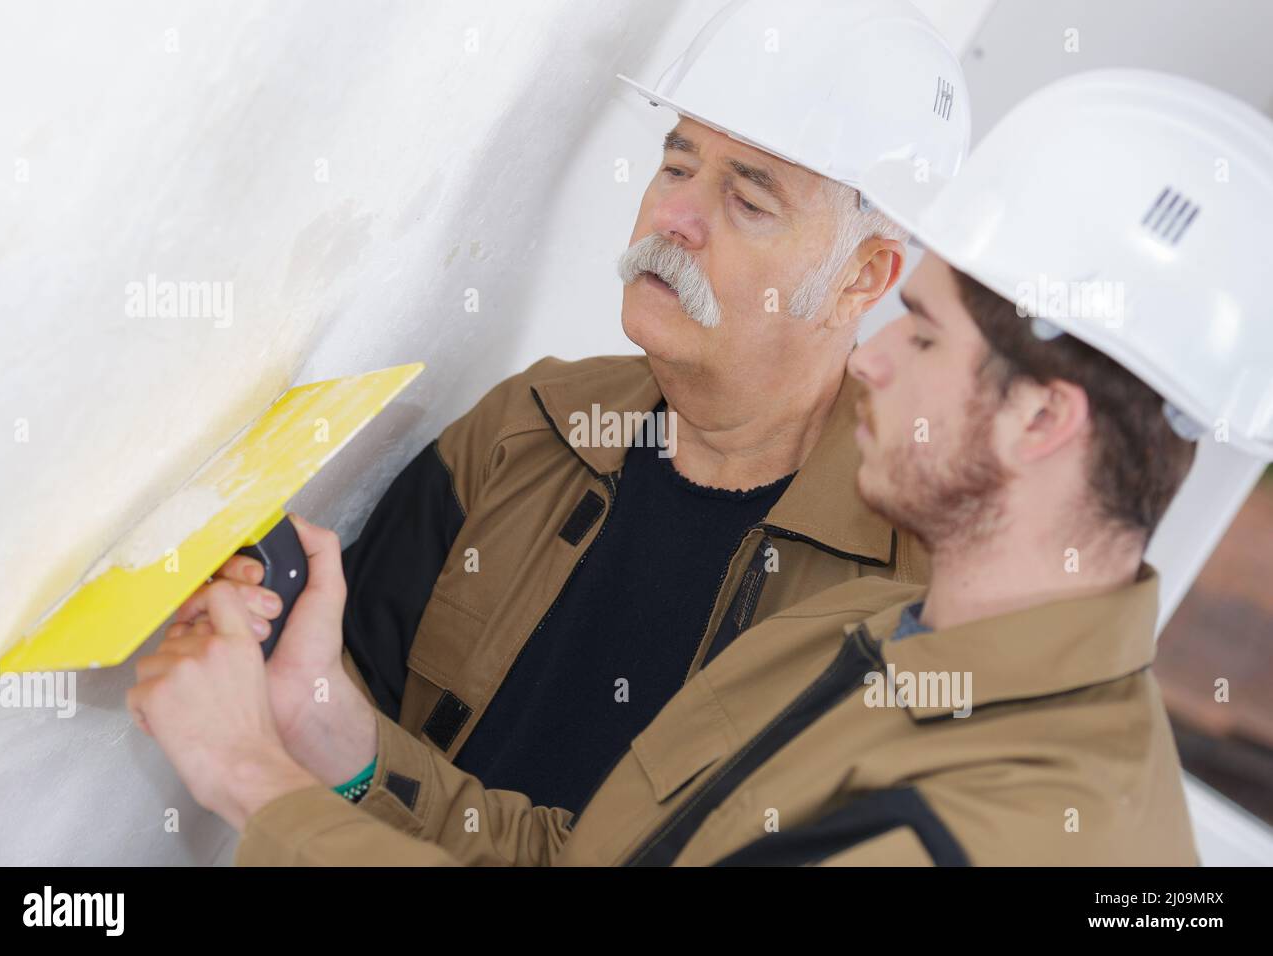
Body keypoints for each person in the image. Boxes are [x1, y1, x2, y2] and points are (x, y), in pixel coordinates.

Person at [131, 68, 1273, 864]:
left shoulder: (1007, 823)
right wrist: (331, 735)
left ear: (1041, 421)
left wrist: (250, 776)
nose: (873, 362)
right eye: (678, 163)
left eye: (922, 336)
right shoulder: (852, 641)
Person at [325, 0, 966, 813]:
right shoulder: (528, 425)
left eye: (749, 202)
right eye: (677, 166)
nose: (673, 218)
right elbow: (329, 704)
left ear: (861, 280)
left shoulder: (912, 593)